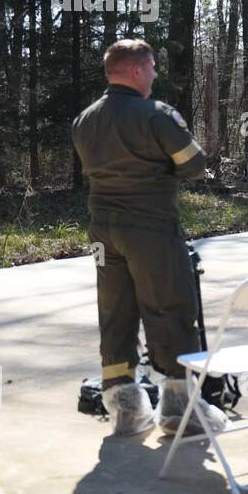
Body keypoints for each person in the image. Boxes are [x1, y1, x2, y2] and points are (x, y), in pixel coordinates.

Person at [71, 39, 226, 438]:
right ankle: (178, 410)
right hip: (151, 230)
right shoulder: (157, 115)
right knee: (170, 309)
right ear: (136, 71)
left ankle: (125, 410)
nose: (156, 74)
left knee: (115, 314)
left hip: (103, 231)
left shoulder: (85, 120)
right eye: (153, 67)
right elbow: (194, 165)